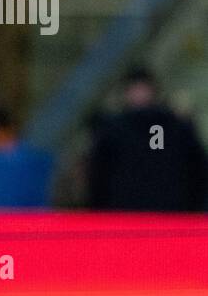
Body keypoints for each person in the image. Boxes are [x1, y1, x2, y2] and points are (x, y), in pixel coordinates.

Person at [88, 66, 208, 212]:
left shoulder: (176, 128)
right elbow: (99, 176)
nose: (139, 94)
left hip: (167, 213)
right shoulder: (113, 130)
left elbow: (197, 170)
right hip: (129, 213)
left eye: (142, 88)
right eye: (136, 89)